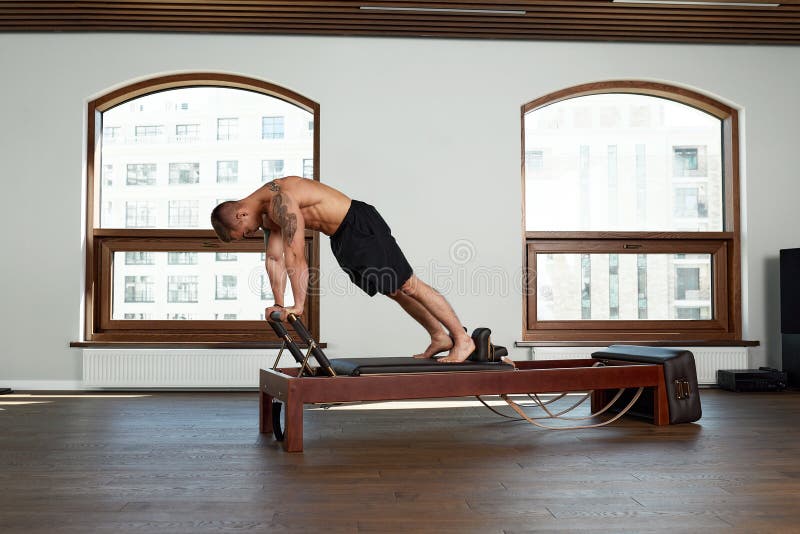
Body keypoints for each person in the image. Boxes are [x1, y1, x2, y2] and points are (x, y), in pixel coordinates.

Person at [210, 176, 475, 363]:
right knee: (394, 290)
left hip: (358, 224)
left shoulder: (280, 200)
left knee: (408, 284)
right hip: (341, 237)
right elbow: (274, 260)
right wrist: (279, 304)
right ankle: (439, 336)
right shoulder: (267, 217)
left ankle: (462, 339)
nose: (247, 235)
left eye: (240, 234)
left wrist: (298, 305)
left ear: (240, 215)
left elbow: (295, 253)